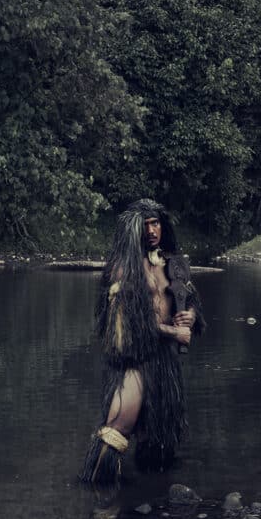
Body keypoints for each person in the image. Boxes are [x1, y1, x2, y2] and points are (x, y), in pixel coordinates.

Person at [78, 199, 203, 485]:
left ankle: (155, 502)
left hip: (166, 363)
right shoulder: (122, 269)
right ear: (133, 230)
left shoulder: (173, 263)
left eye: (155, 223)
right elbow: (132, 323)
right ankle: (98, 505)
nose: (151, 230)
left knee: (160, 434)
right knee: (115, 429)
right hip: (135, 360)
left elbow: (192, 301)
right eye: (145, 225)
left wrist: (190, 317)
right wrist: (174, 333)